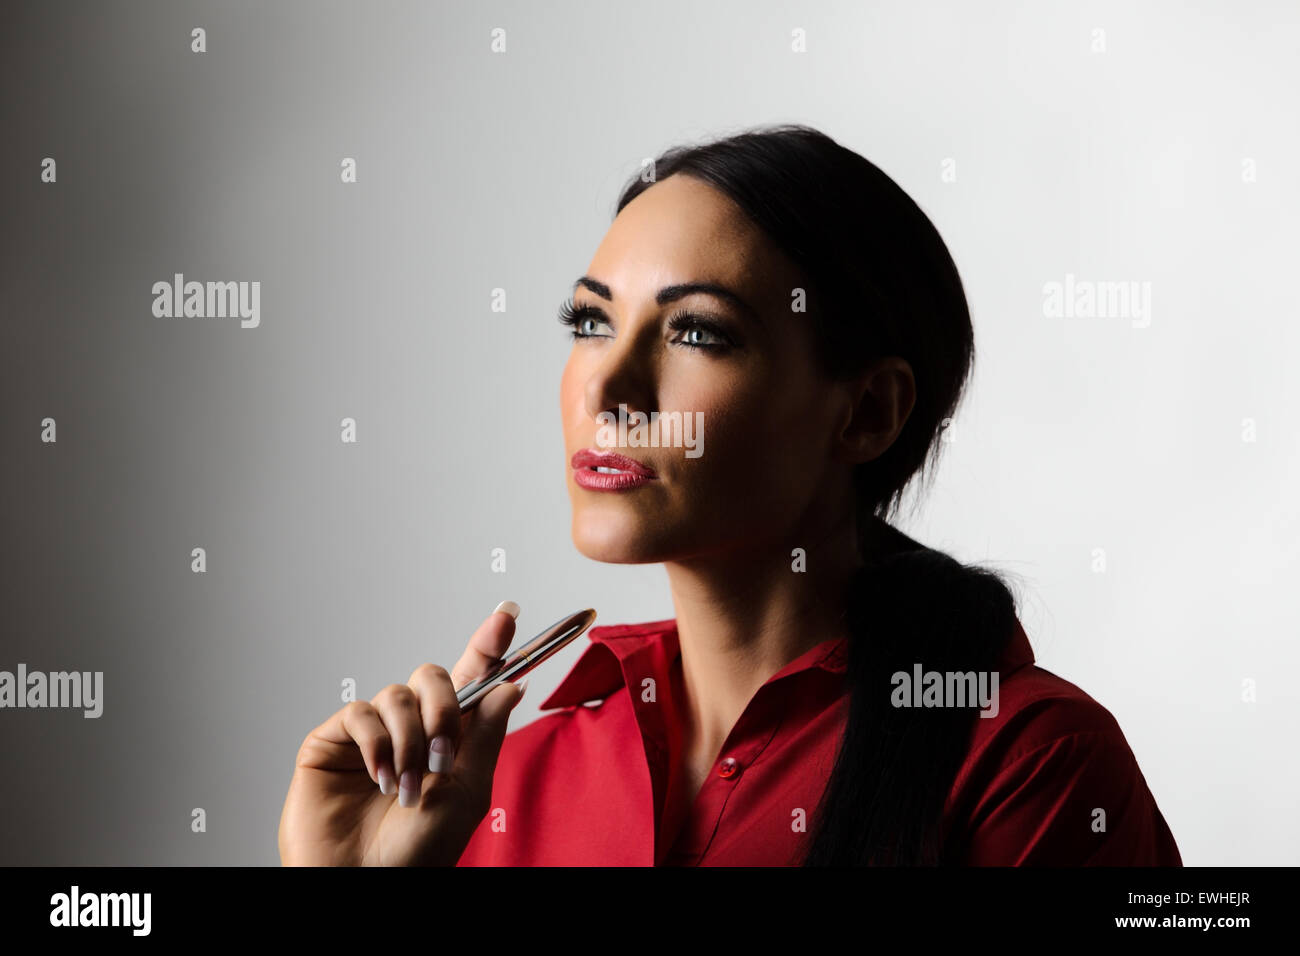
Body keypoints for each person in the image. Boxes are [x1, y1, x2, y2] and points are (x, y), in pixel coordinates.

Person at [278, 124, 1181, 866]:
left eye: (698, 333)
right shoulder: (502, 785)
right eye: (592, 322)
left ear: (866, 411)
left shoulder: (1031, 766)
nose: (609, 389)